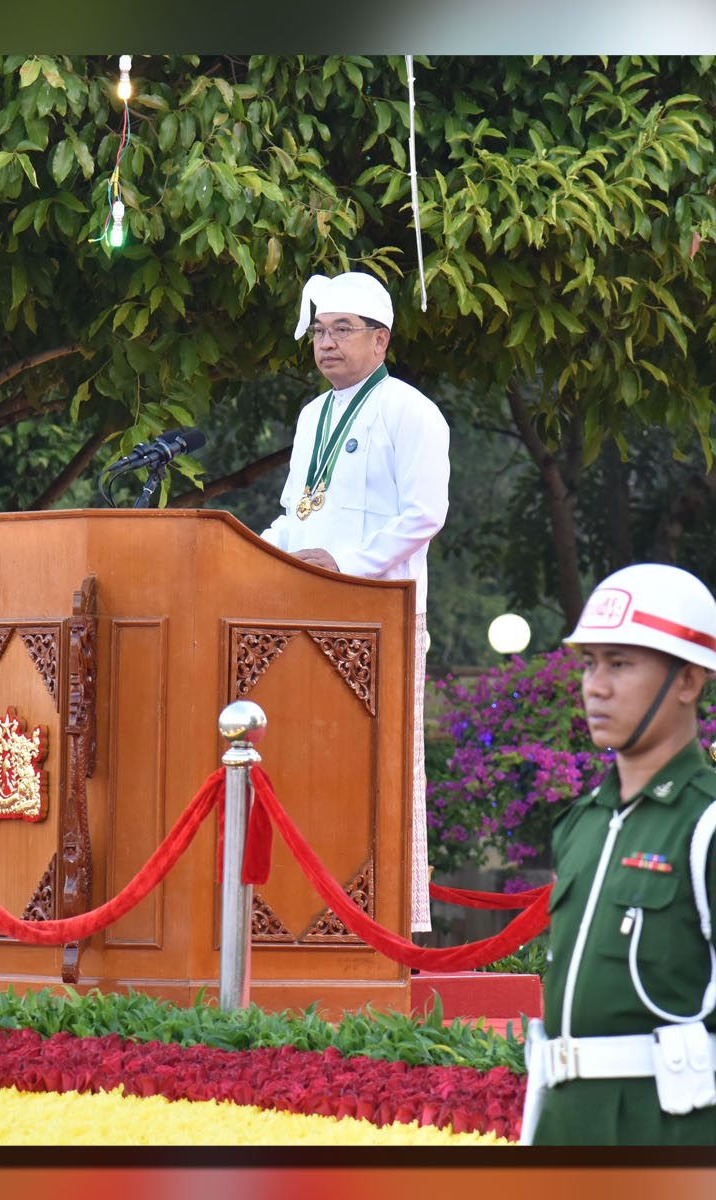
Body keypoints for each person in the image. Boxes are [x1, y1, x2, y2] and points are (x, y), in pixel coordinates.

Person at [521, 563, 716, 1145]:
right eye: (590, 662)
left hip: (670, 1126)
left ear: (688, 681)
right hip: (564, 1122)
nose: (596, 685)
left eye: (622, 663)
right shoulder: (582, 823)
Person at [260, 270, 449, 933]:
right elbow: (294, 515)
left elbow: (424, 516)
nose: (327, 344)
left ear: (381, 339)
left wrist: (344, 564)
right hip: (306, 616)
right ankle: (306, 911)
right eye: (319, 330)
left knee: (382, 765)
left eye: (342, 330)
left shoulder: (411, 410)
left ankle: (392, 916)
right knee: (307, 760)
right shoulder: (314, 415)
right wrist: (259, 555)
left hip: (381, 616)